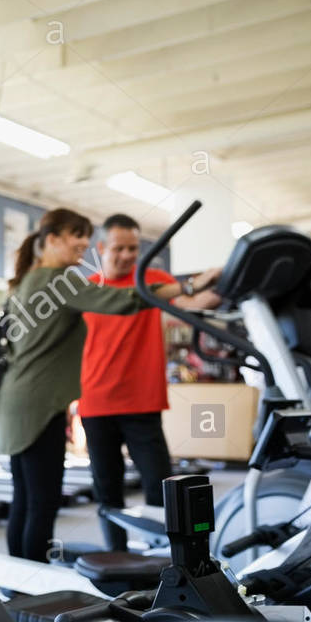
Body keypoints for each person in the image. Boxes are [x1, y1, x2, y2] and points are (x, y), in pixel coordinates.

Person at [0, 209, 221, 562]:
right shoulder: (59, 282)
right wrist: (192, 281)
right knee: (42, 502)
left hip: (24, 402)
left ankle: (19, 580)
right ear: (51, 239)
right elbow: (125, 299)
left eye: (85, 235)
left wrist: (219, 287)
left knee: (27, 499)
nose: (83, 244)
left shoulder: (30, 281)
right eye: (76, 235)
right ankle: (32, 583)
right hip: (46, 405)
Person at [81, 213, 217, 550]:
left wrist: (228, 284)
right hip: (96, 404)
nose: (128, 255)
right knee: (107, 489)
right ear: (101, 248)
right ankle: (116, 556)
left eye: (133, 248)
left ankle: (162, 555)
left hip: (142, 401)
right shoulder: (88, 291)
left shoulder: (152, 279)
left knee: (160, 486)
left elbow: (194, 302)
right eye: (119, 248)